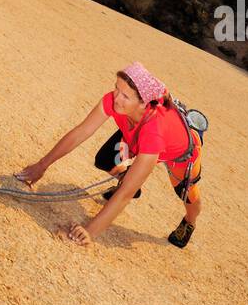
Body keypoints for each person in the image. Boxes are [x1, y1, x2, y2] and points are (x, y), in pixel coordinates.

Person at [16, 62, 203, 249]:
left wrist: (91, 230)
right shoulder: (116, 103)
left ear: (144, 102)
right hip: (137, 134)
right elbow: (81, 132)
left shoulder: (154, 131)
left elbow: (126, 192)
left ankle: (190, 221)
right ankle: (125, 175)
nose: (116, 99)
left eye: (125, 96)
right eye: (116, 88)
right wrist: (42, 165)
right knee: (105, 160)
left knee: (187, 194)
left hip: (180, 154)